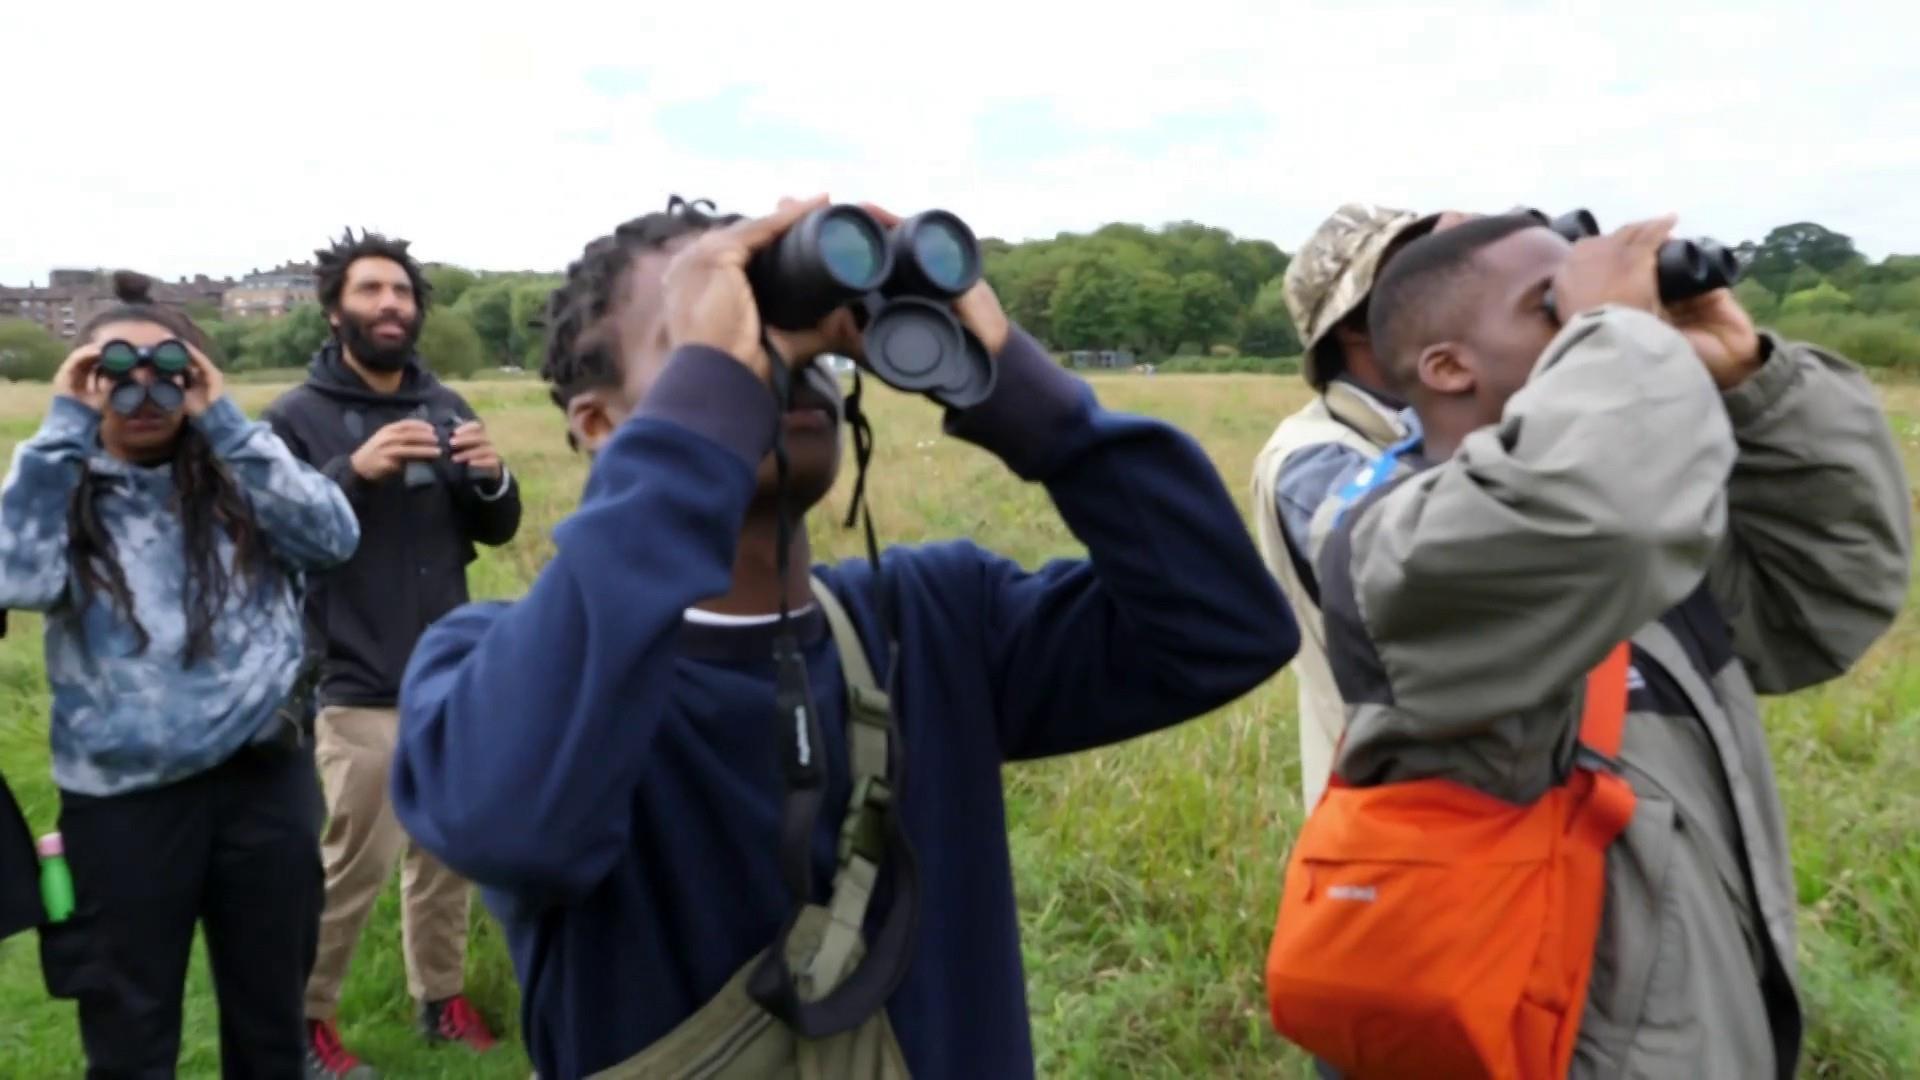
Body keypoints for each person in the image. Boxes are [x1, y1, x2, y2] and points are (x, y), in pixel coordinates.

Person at [385, 194, 1300, 1079]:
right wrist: (706, 413)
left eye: (786, 327)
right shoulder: (493, 668)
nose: (778, 361)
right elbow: (508, 823)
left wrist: (1025, 392)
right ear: (601, 424)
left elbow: (1224, 627)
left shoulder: (933, 620)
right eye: (717, 335)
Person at [1311, 213, 1910, 1077]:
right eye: (1552, 303)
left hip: (1699, 1017)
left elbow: (1823, 600)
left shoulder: (1630, 518)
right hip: (1547, 1039)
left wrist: (1750, 383)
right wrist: (1616, 327)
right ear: (1447, 367)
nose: (1597, 314)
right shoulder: (1398, 546)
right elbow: (1596, 512)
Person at [0, 273, 361, 1076]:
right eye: (114, 372)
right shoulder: (64, 488)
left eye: (169, 369)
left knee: (271, 1029)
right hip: (124, 802)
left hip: (262, 784)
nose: (145, 390)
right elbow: (11, 574)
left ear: (198, 377)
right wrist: (62, 428)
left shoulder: (244, 476)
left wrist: (227, 422)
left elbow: (334, 536)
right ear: (86, 383)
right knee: (129, 1037)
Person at [262, 229, 520, 1077]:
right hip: (352, 674)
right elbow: (268, 531)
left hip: (448, 675)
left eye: (402, 292)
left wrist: (492, 476)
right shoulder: (293, 419)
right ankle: (304, 1024)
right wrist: (352, 471)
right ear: (335, 310)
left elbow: (495, 527)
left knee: (448, 853)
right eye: (370, 291)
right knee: (353, 866)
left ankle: (439, 1001)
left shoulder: (447, 405)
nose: (390, 305)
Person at [1248, 203, 1471, 810]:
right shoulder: (1312, 460)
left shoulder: (1461, 417)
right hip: (1401, 820)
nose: (1454, 287)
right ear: (1355, 323)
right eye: (1419, 272)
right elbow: (1437, 578)